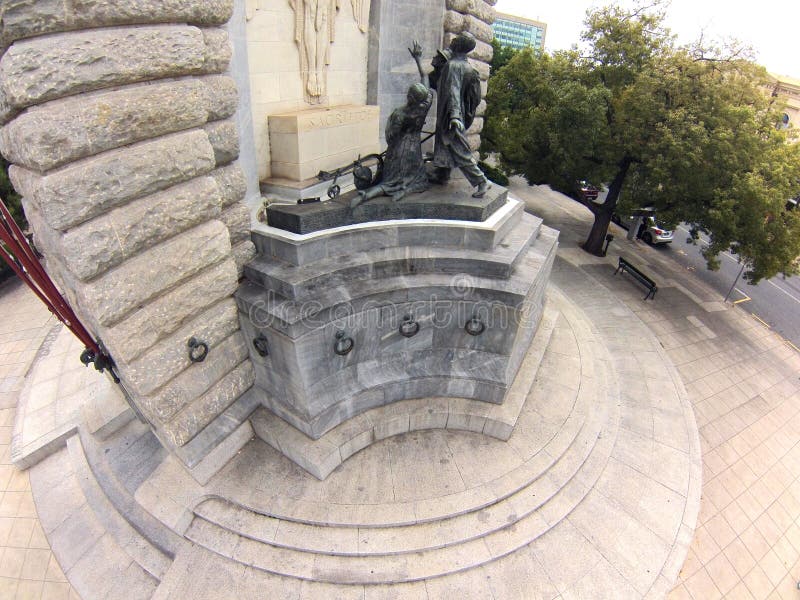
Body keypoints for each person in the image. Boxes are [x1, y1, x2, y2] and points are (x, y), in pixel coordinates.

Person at [351, 41, 433, 208]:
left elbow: (391, 138)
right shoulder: (424, 106)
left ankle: (366, 195)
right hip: (414, 149)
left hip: (399, 151)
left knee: (390, 181)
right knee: (415, 178)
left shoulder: (400, 114)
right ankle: (404, 190)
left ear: (409, 97)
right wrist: (418, 59)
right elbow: (425, 78)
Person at [429, 32, 490, 198]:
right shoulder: (466, 66)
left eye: (455, 40)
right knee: (444, 144)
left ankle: (481, 181)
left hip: (450, 115)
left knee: (459, 149)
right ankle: (442, 174)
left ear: (458, 45)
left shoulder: (453, 66)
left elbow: (453, 91)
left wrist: (455, 116)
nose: (452, 41)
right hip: (454, 113)